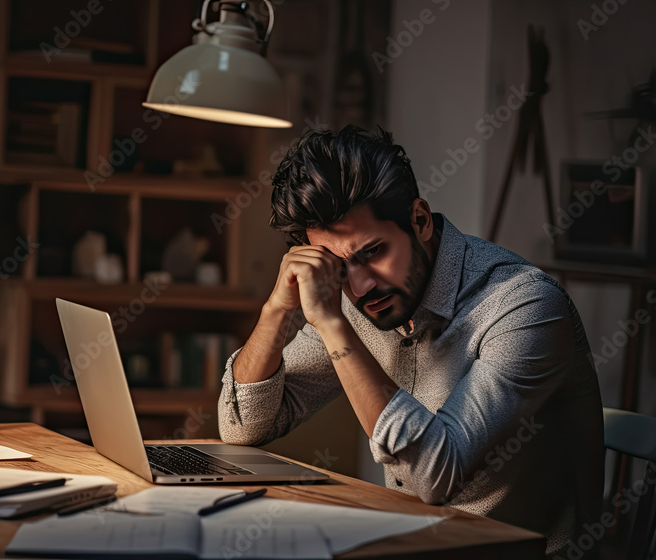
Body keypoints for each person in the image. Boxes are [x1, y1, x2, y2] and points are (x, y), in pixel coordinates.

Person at [218, 125, 603, 557]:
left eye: (373, 252)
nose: (361, 286)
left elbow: (437, 474)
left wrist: (332, 325)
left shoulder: (524, 306)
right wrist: (276, 309)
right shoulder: (358, 303)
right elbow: (243, 426)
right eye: (340, 267)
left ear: (419, 220)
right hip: (415, 544)